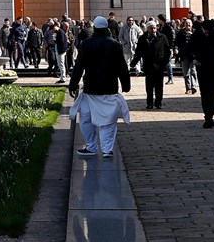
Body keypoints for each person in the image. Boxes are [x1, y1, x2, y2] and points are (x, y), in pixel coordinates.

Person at [67, 15, 132, 159]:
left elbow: (79, 66)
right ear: (106, 28)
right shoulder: (114, 44)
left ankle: (91, 146)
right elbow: (122, 67)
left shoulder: (86, 44)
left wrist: (73, 84)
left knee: (86, 119)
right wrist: (126, 85)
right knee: (108, 121)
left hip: (91, 88)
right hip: (109, 88)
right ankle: (107, 149)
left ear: (95, 28)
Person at [191, 15, 214, 127]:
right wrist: (193, 59)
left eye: (208, 32)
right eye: (205, 32)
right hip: (201, 67)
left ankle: (210, 116)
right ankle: (207, 117)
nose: (207, 34)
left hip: (213, 67)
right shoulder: (196, 35)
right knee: (204, 93)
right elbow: (188, 48)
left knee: (213, 93)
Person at [131, 21, 170, 110]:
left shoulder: (162, 37)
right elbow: (138, 52)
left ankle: (158, 102)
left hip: (159, 65)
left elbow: (167, 51)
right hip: (148, 65)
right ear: (147, 29)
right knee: (149, 86)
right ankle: (149, 103)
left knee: (159, 86)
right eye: (151, 28)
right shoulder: (142, 38)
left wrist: (165, 62)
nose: (153, 30)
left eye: (154, 28)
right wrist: (134, 62)